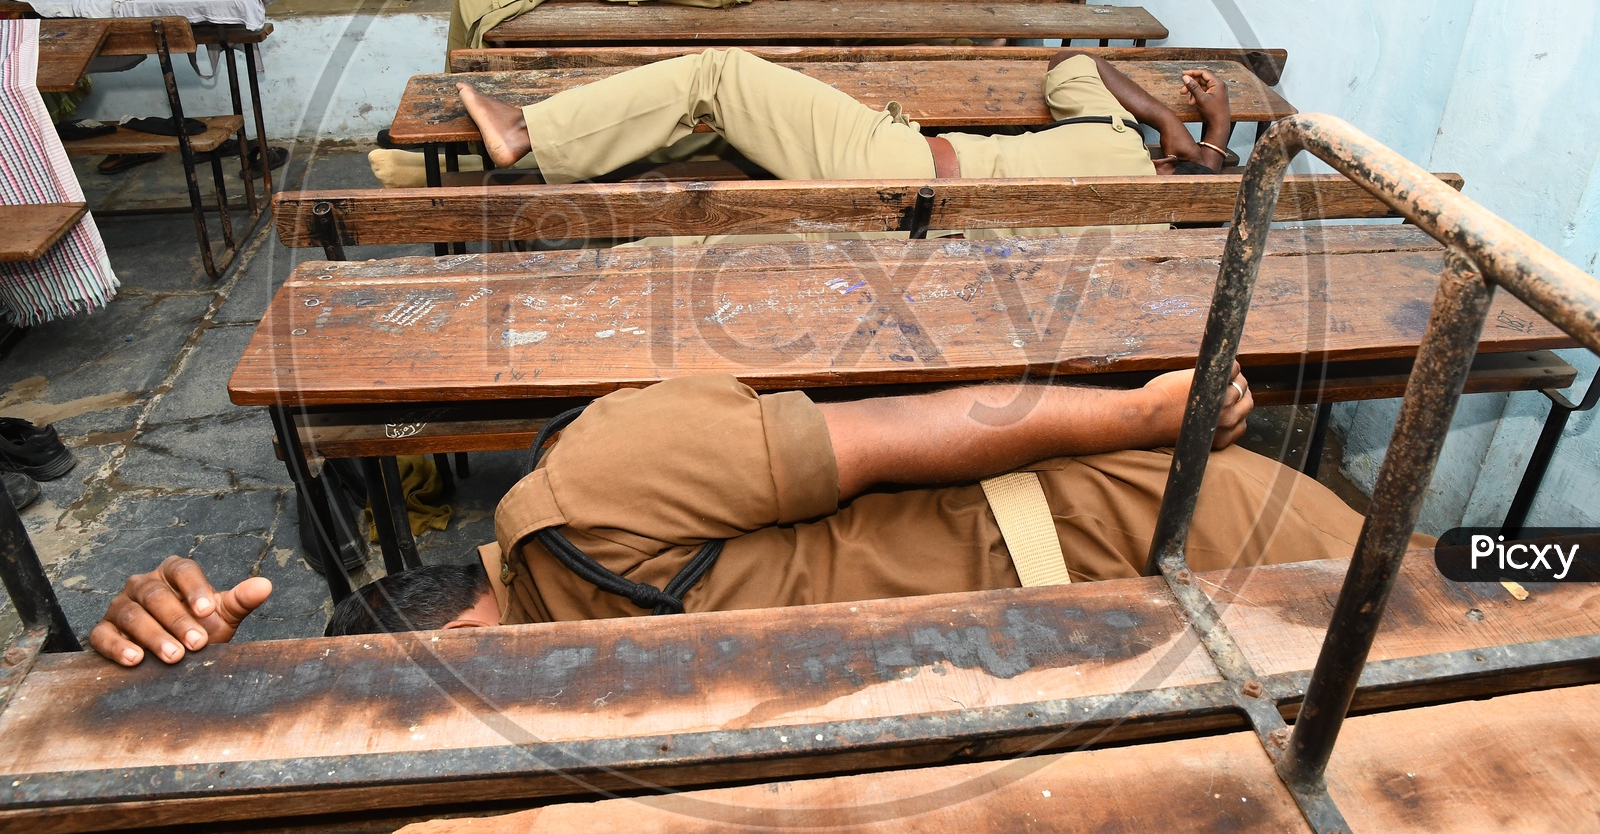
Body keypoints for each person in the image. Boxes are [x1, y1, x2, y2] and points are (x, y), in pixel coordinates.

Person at [88, 365, 1419, 667]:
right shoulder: (576, 671)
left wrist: (1145, 415)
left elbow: (912, 429)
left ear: (474, 620)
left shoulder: (597, 489)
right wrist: (174, 686)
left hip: (1155, 533)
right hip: (1066, 636)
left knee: (1488, 594)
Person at [451, 46, 1235, 184]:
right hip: (910, 185)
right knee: (702, 130)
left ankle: (524, 132)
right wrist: (1205, 141)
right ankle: (566, 143)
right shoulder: (1149, 215)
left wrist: (1172, 118)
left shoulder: (1114, 135)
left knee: (717, 79)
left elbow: (1075, 66)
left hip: (899, 169)